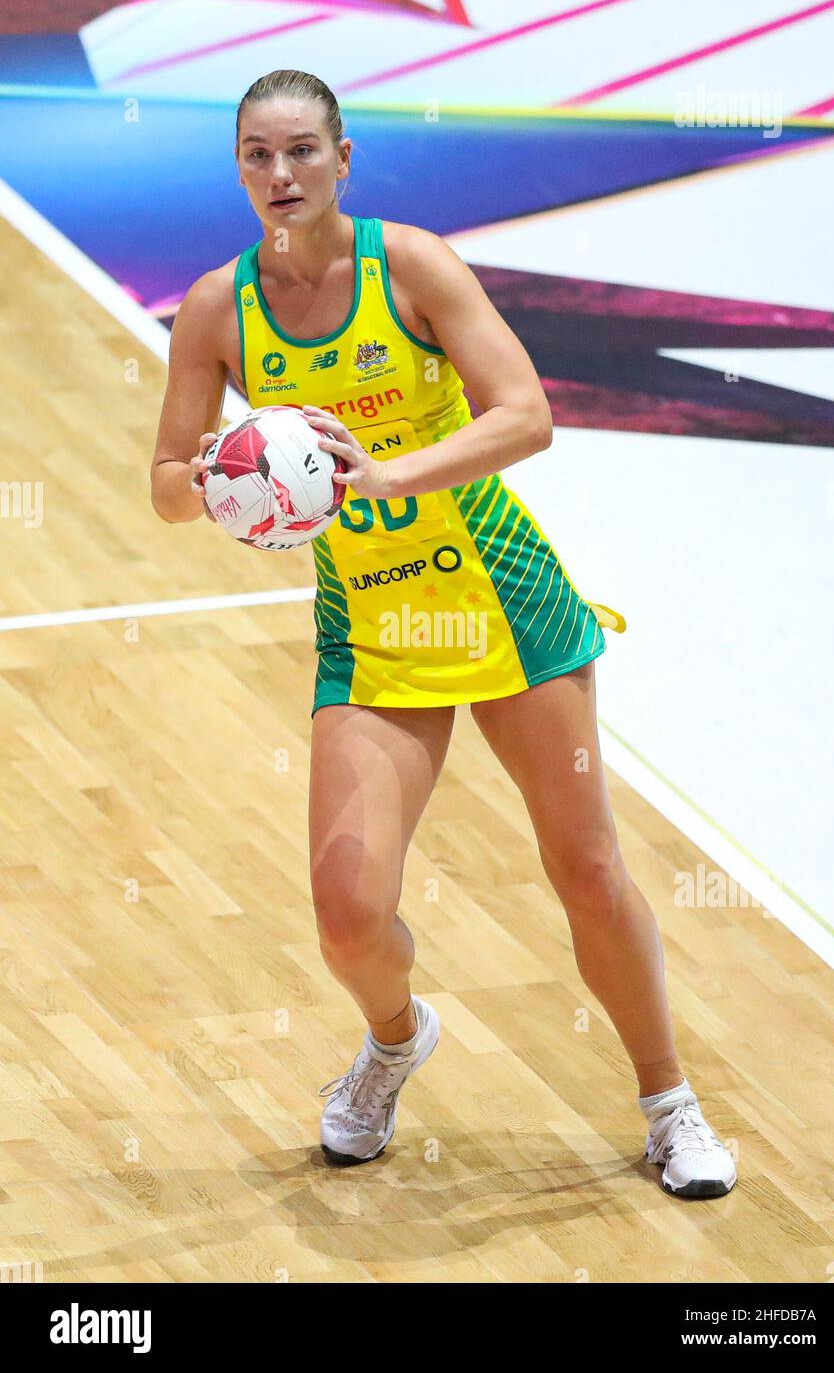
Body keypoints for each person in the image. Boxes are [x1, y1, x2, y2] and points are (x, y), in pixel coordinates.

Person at [150, 68, 736, 1200]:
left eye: (303, 152)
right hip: (369, 628)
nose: (282, 175)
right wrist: (237, 473)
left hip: (502, 599)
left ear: (342, 160)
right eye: (259, 155)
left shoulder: (407, 264)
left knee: (583, 866)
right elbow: (167, 482)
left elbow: (528, 415)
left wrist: (382, 479)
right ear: (237, 167)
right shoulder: (216, 308)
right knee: (347, 912)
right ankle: (393, 1038)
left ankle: (667, 1102)